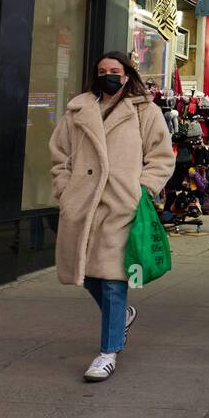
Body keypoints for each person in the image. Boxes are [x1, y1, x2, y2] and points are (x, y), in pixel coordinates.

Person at [50, 51, 173, 382]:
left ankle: (108, 352)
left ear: (127, 74)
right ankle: (121, 317)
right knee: (87, 275)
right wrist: (64, 189)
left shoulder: (143, 111)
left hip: (122, 205)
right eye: (102, 70)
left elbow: (162, 157)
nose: (109, 75)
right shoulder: (79, 110)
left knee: (113, 280)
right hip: (82, 206)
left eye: (115, 71)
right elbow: (59, 154)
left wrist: (143, 191)